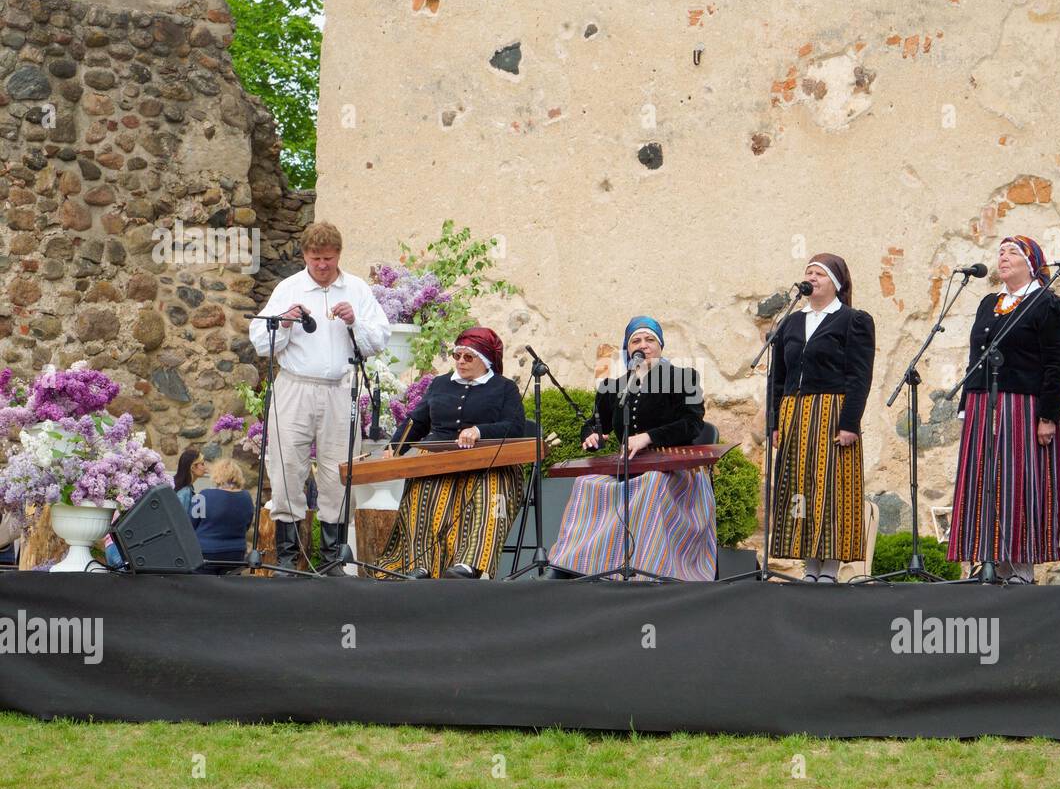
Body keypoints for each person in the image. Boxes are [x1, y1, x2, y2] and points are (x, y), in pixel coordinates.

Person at [249, 221, 391, 574]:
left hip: (340, 387)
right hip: (294, 385)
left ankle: (331, 561)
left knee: (337, 473)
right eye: (315, 259)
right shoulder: (289, 287)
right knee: (285, 469)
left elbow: (379, 339)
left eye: (328, 258)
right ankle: (287, 559)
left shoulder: (356, 289)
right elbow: (260, 341)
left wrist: (355, 321)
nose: (322, 266)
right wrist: (283, 322)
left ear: (339, 255)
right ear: (305, 256)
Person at [545, 316, 714, 580]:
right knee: (585, 484)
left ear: (660, 346)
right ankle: (569, 564)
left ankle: (645, 570)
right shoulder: (615, 386)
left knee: (650, 485)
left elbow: (693, 424)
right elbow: (596, 423)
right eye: (636, 340)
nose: (643, 345)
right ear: (627, 347)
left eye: (650, 340)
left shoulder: (684, 377)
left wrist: (648, 437)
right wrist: (593, 436)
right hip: (627, 465)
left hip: (671, 469)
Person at [948, 236, 1060, 584]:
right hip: (983, 404)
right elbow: (976, 359)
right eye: (1001, 252)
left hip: (1023, 406)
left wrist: (1048, 415)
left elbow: (1059, 365)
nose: (1003, 258)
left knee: (1018, 480)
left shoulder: (1047, 304)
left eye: (1012, 253)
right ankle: (993, 563)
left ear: (1031, 263)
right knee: (986, 480)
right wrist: (965, 405)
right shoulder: (990, 302)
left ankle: (1021, 567)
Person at [377, 327, 526, 579]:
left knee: (491, 496)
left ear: (486, 360)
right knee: (422, 495)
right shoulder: (440, 384)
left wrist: (479, 431)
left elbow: (515, 426)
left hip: (488, 461)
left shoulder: (504, 388)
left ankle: (468, 565)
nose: (460, 362)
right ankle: (420, 565)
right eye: (457, 355)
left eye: (469, 357)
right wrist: (394, 448)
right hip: (438, 456)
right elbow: (417, 421)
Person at [769, 254, 875, 583]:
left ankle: (829, 566)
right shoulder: (790, 323)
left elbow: (860, 376)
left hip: (832, 412)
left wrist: (850, 423)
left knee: (831, 489)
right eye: (809, 273)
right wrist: (774, 423)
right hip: (794, 414)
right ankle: (808, 565)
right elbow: (777, 377)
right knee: (799, 491)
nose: (812, 278)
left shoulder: (852, 320)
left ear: (837, 283)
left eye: (820, 274)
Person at [191, 459, 255, 574]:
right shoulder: (247, 497)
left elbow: (191, 525)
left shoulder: (203, 495)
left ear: (217, 475)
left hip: (206, 552)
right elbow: (247, 525)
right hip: (235, 553)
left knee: (201, 588)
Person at [173, 447, 205, 518]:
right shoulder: (185, 492)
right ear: (193, 468)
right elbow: (181, 520)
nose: (204, 467)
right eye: (202, 464)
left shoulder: (186, 488)